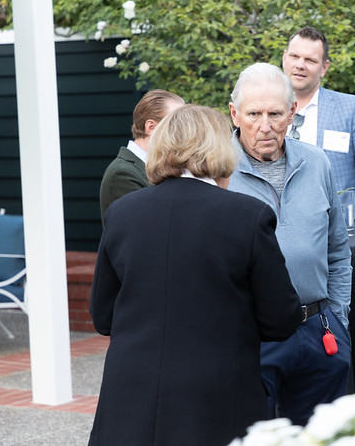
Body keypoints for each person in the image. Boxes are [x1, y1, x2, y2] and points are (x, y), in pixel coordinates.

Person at [89, 104, 302, 445]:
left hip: (131, 394)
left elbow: (103, 316)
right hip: (214, 396)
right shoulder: (248, 215)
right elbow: (280, 319)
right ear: (220, 149)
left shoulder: (122, 212)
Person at [227, 62, 352, 425]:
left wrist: (338, 318)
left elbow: (337, 250)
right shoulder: (217, 171)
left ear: (292, 112)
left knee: (319, 435)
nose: (265, 126)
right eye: (254, 114)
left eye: (275, 114)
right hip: (249, 337)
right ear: (234, 114)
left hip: (318, 330)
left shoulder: (316, 162)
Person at [282, 26, 355, 229]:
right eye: (295, 56)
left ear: (324, 67)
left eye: (310, 60)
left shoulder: (351, 109)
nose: (300, 65)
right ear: (284, 58)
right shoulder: (265, 111)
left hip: (339, 232)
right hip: (281, 232)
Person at [98, 89, 184, 223]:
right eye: (177, 123)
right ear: (151, 127)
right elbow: (145, 226)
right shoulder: (122, 173)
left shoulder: (163, 167)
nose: (184, 131)